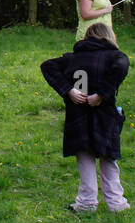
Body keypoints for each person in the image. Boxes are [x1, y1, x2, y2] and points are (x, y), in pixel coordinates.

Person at [40, 22, 130, 213]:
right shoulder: (115, 56)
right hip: (105, 116)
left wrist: (68, 90)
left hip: (77, 116)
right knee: (108, 158)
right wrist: (103, 94)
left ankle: (86, 203)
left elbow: (47, 66)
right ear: (108, 36)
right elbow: (122, 66)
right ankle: (116, 203)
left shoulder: (72, 58)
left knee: (85, 158)